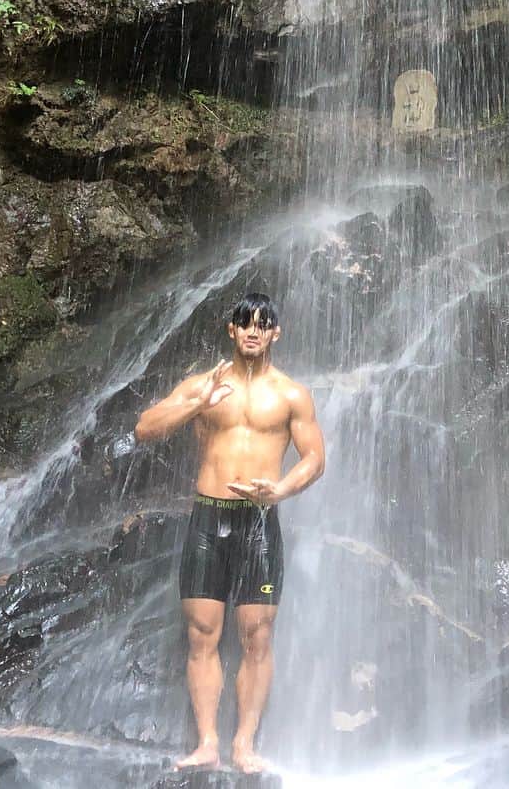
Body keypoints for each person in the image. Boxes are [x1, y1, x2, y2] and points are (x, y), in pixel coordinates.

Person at [134, 292, 325, 773]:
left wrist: (280, 489)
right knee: (202, 633)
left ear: (276, 333)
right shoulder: (204, 385)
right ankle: (207, 744)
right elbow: (144, 428)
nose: (253, 331)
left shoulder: (291, 394)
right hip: (208, 516)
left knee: (257, 635)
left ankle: (244, 745)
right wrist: (196, 403)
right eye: (245, 324)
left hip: (259, 520)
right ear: (232, 331)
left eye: (263, 324)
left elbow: (315, 459)